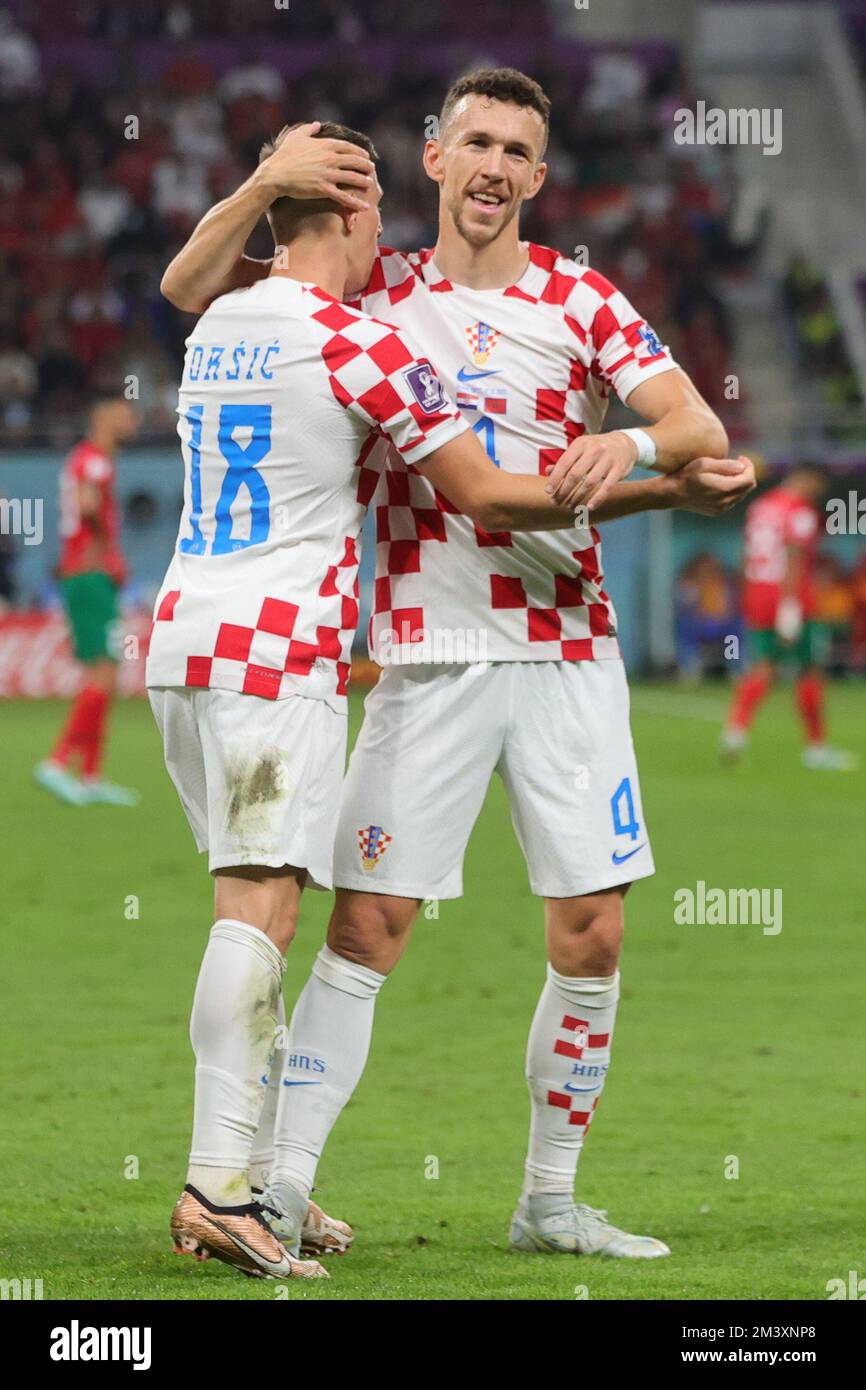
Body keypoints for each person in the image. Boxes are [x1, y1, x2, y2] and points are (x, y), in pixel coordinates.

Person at [161, 69, 756, 1264]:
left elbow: (696, 428)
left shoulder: (580, 298)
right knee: (367, 926)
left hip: (566, 652)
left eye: (516, 151)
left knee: (590, 931)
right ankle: (271, 1185)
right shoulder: (364, 289)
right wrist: (269, 182)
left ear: (538, 178)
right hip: (424, 657)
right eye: (473, 140)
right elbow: (194, 286)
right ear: (431, 159)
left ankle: (548, 1200)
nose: (492, 166)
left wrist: (625, 445)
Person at [34, 395, 140, 806]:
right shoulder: (94, 460)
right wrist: (109, 553)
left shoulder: (85, 459)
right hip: (89, 574)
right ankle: (58, 763)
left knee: (107, 674)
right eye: (124, 413)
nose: (131, 420)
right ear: (102, 416)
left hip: (84, 575)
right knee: (102, 673)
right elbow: (87, 504)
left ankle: (92, 776)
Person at [721, 466, 857, 770]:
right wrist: (790, 606)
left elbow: (746, 554)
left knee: (764, 665)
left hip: (758, 596)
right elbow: (795, 556)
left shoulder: (761, 506)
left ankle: (736, 731)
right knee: (810, 669)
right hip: (791, 600)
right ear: (807, 478)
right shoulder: (800, 512)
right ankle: (816, 748)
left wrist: (747, 595)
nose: (817, 493)